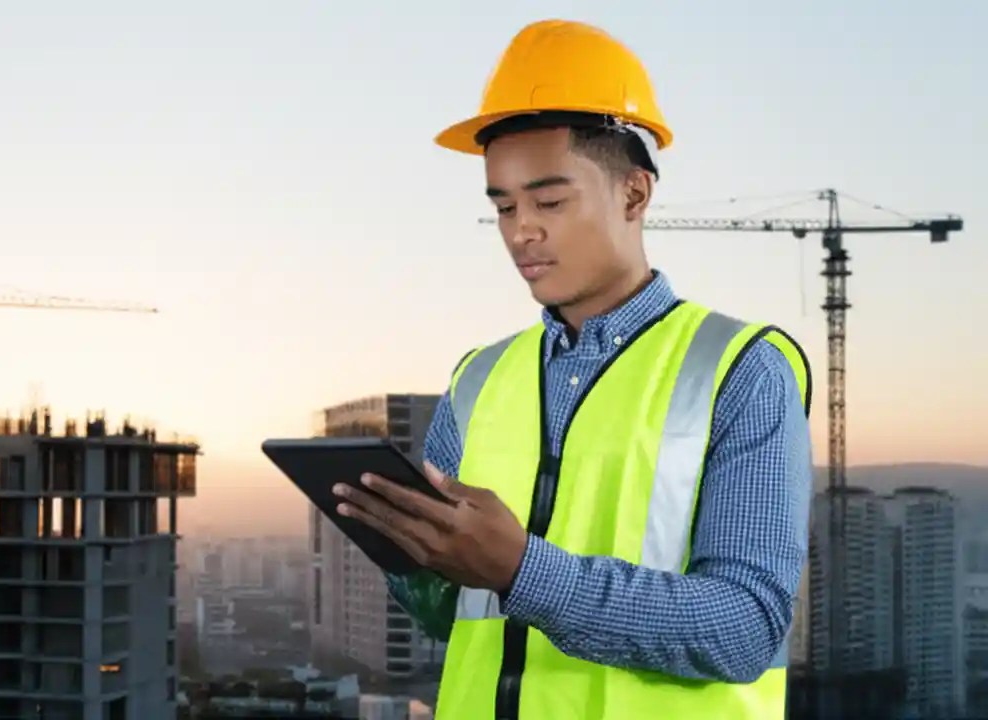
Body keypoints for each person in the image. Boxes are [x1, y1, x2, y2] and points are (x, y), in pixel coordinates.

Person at [330, 19, 813, 720]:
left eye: (549, 201)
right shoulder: (478, 378)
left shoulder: (741, 371)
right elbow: (456, 619)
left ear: (634, 195)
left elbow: (744, 628)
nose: (521, 230)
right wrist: (407, 548)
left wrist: (521, 569)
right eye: (504, 206)